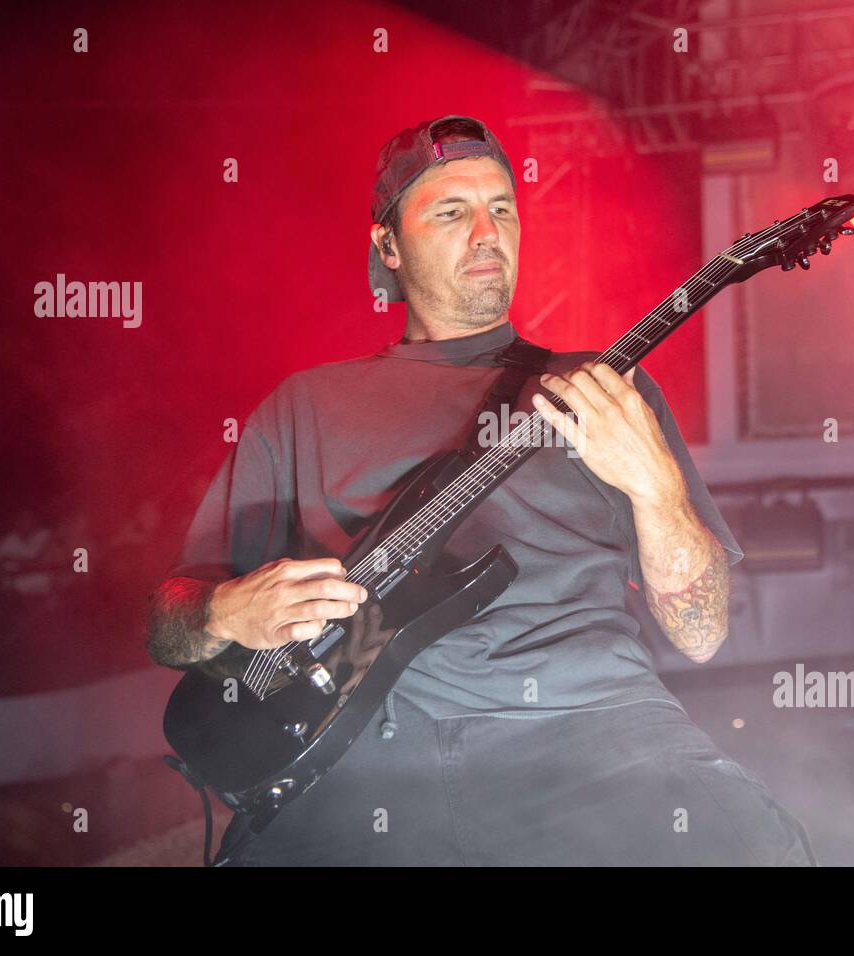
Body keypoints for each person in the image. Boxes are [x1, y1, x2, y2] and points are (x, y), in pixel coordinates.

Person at [147, 115, 816, 866]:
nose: (486, 232)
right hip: (362, 757)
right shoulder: (303, 407)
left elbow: (701, 634)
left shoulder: (601, 387)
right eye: (451, 211)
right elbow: (170, 626)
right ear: (388, 246)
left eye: (502, 209)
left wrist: (655, 487)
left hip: (598, 734)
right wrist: (227, 608)